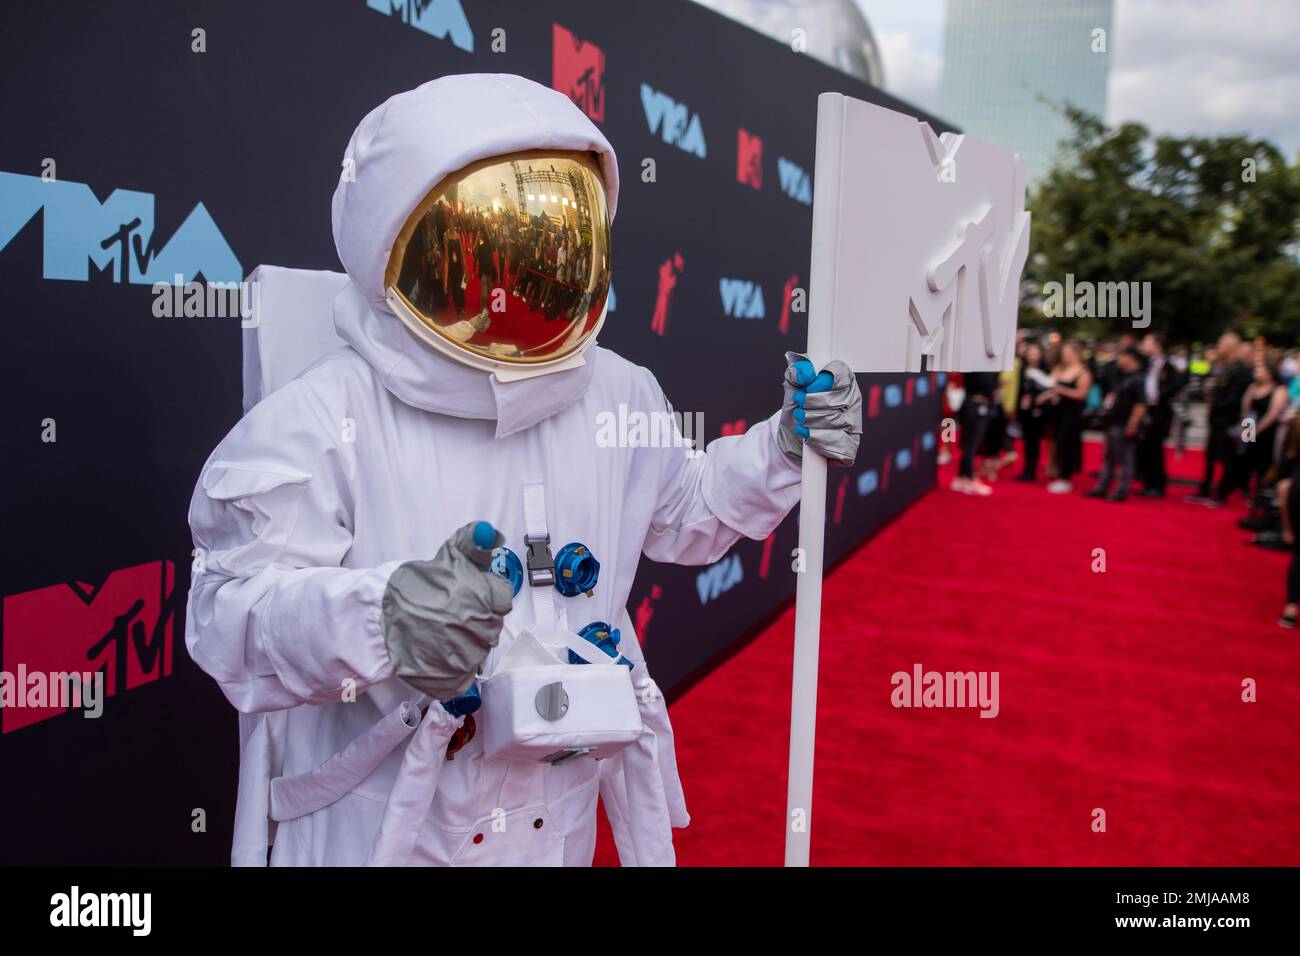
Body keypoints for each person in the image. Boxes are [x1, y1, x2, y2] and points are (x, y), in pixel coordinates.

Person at [183, 74, 862, 867]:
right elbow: (229, 615)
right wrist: (382, 619)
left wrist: (784, 449)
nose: (526, 271)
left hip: (555, 819)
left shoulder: (615, 390)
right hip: (380, 827)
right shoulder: (327, 415)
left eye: (553, 238)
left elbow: (688, 513)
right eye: (488, 244)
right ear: (394, 244)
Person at [1190, 333, 1253, 505]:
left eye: (1221, 344)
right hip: (1217, 420)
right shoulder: (1223, 367)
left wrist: (1215, 401)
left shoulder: (1239, 370)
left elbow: (1236, 399)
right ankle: (1205, 490)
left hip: (1229, 421)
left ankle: (1222, 494)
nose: (1219, 348)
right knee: (1210, 456)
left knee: (1229, 458)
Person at [1087, 347, 1147, 502]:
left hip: (1124, 423)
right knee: (1109, 457)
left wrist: (1133, 424)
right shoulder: (1124, 377)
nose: (1119, 360)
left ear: (1131, 358)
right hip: (1114, 421)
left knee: (1125, 458)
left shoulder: (1138, 379)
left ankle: (1121, 490)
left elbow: (1141, 404)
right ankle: (1103, 486)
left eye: (1122, 356)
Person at [1136, 332, 1187, 497]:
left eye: (1147, 342)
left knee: (1156, 447)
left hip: (1160, 411)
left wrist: (1160, 394)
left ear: (1157, 345)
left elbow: (1177, 385)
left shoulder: (1169, 365)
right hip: (1146, 408)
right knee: (1145, 447)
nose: (1144, 344)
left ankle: (1157, 484)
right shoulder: (1145, 363)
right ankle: (1147, 481)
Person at [1045, 340, 1092, 494]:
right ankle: (1057, 471)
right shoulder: (1060, 368)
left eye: (1067, 354)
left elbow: (1081, 394)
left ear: (1076, 354)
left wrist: (1061, 390)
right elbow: (1050, 382)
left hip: (1072, 414)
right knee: (1056, 442)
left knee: (1066, 444)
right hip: (1057, 412)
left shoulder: (1083, 372)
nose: (1064, 356)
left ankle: (1065, 478)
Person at [1240, 360, 1287, 498]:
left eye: (1260, 370)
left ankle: (1262, 490)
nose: (1256, 373)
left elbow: (1273, 414)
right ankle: (1245, 487)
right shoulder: (1252, 387)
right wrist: (1247, 428)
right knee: (1246, 458)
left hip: (1268, 432)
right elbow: (1246, 407)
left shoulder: (1279, 389)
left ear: (1270, 374)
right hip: (1250, 426)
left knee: (1264, 462)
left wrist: (1257, 429)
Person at [951, 371, 998, 496]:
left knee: (969, 445)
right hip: (975, 407)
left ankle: (962, 478)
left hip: (972, 406)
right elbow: (988, 385)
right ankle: (969, 478)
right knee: (971, 445)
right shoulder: (981, 367)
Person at [1017, 341, 1051, 482]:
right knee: (1027, 441)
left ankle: (1032, 470)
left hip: (1039, 410)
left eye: (1035, 353)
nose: (1032, 356)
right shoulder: (1022, 370)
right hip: (1025, 410)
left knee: (1034, 441)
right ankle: (1026, 469)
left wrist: (1041, 398)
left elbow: (1050, 387)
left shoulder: (1045, 371)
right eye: (1030, 353)